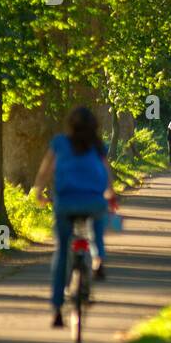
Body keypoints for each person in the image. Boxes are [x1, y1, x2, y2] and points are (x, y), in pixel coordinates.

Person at [30, 107, 118, 328]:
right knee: (97, 224)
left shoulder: (60, 142)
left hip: (66, 203)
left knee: (62, 253)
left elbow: (45, 171)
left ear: (70, 124)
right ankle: (98, 259)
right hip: (94, 201)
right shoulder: (98, 146)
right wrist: (110, 193)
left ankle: (57, 309)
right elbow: (107, 174)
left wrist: (38, 191)